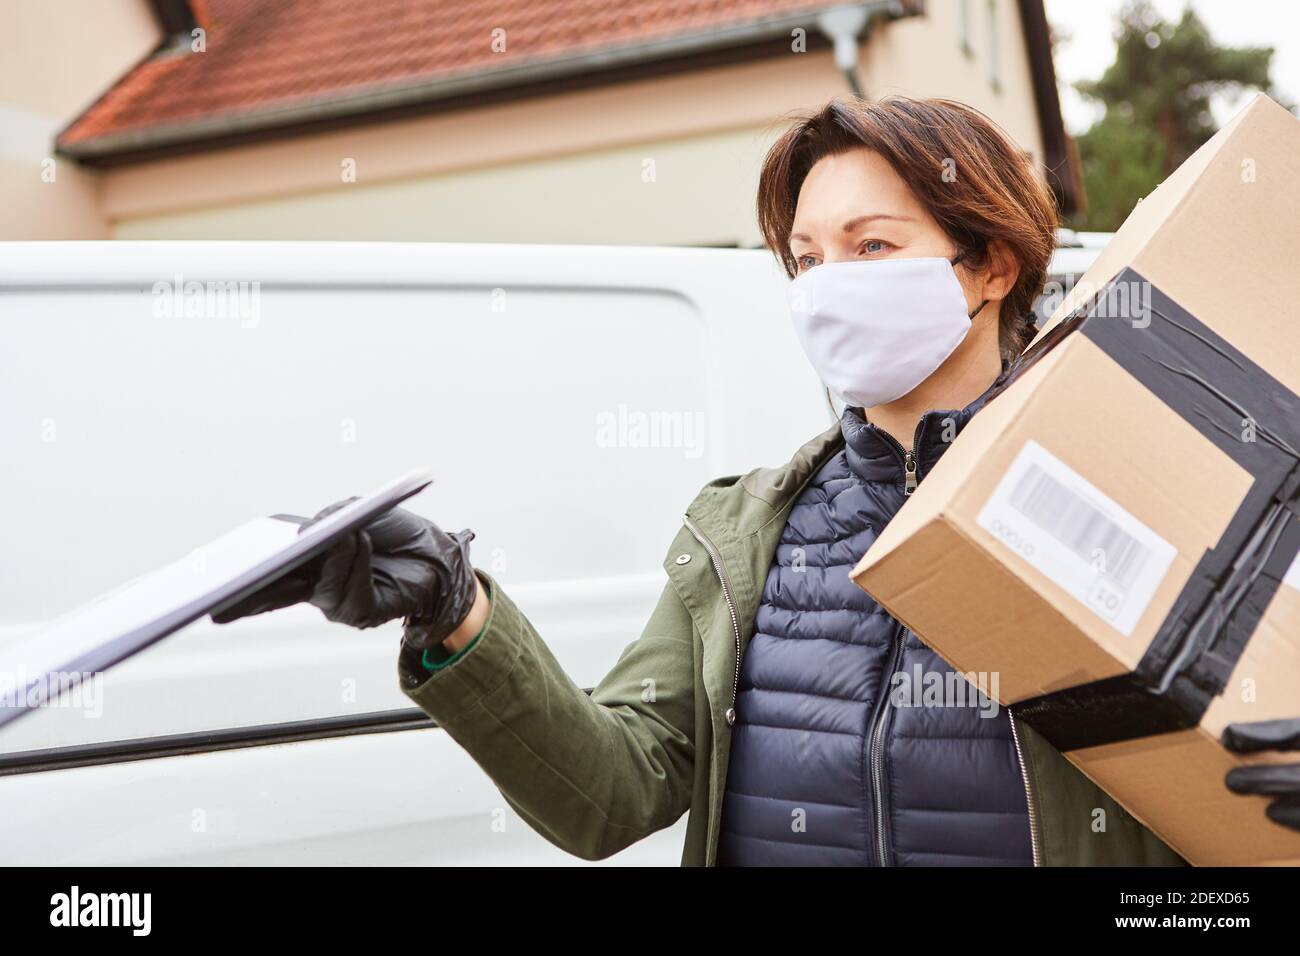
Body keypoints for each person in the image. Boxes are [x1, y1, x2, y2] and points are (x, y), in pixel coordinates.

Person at [215, 96, 1300, 866]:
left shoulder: (1151, 487)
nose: (828, 287)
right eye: (806, 257)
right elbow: (613, 790)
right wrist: (460, 615)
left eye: (872, 246)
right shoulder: (744, 533)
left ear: (987, 266)